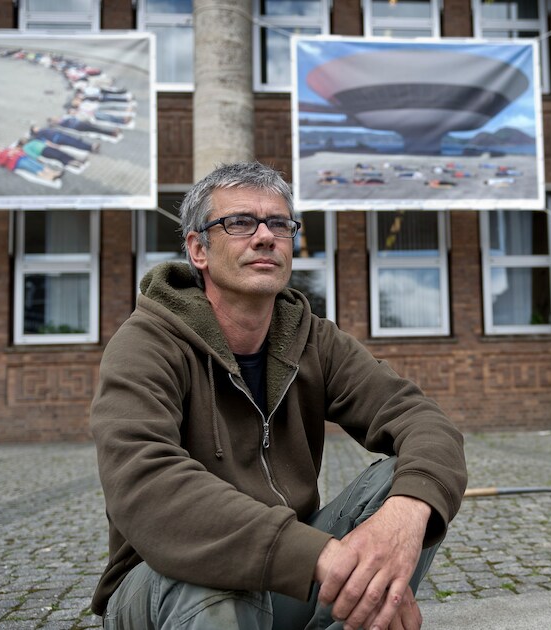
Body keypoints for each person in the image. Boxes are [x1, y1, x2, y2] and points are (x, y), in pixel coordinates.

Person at [90, 162, 468, 630]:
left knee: (403, 480)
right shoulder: (146, 343)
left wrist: (407, 514)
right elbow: (148, 484)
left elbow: (423, 422)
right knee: (209, 584)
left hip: (286, 579)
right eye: (240, 222)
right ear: (198, 249)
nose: (266, 236)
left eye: (280, 224)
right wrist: (320, 555)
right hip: (162, 590)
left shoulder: (312, 339)